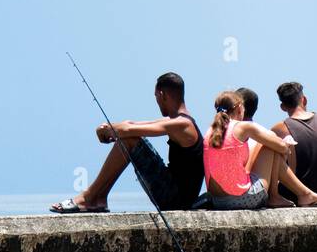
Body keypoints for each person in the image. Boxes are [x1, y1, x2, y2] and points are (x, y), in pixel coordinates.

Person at [50, 72, 203, 213]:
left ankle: (88, 197)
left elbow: (128, 130)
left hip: (175, 200)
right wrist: (108, 128)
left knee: (130, 140)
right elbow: (131, 124)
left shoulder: (183, 125)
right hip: (173, 194)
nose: (156, 101)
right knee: (130, 137)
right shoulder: (179, 121)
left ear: (162, 95)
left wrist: (105, 130)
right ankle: (99, 198)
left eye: (156, 96)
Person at [203, 90, 317, 209]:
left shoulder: (210, 132)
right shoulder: (243, 127)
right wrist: (285, 145)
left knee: (271, 144)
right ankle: (278, 197)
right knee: (271, 146)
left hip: (217, 201)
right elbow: (279, 146)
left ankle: (304, 194)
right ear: (239, 108)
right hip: (243, 199)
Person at [272, 81, 317, 203]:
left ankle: (276, 197)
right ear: (304, 100)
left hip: (296, 194)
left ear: (282, 107)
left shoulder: (280, 128)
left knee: (271, 150)